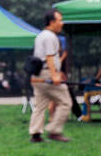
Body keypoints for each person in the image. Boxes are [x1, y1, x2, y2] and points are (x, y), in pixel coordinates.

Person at [29, 9, 72, 143]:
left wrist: (58, 73)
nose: (62, 23)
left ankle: (35, 134)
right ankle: (54, 130)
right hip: (47, 73)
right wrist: (55, 75)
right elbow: (49, 57)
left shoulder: (41, 35)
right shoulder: (50, 36)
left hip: (37, 75)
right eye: (60, 20)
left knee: (40, 106)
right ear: (52, 22)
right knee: (66, 102)